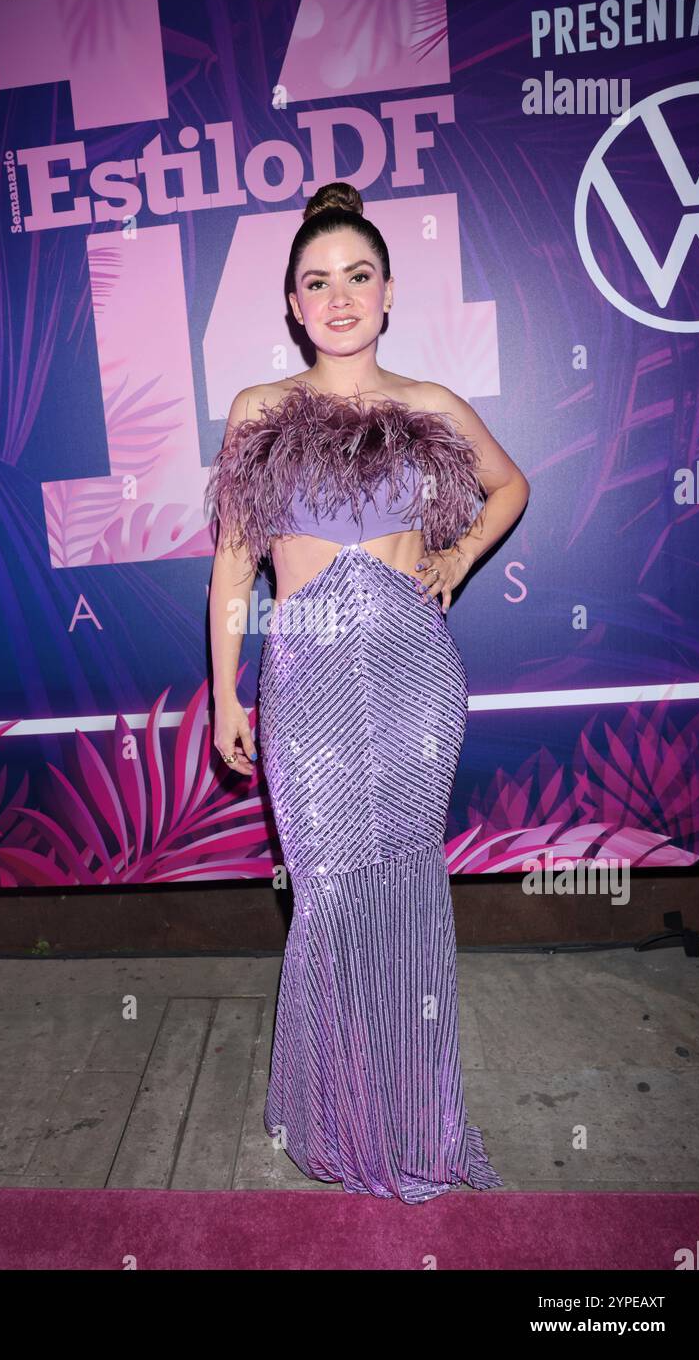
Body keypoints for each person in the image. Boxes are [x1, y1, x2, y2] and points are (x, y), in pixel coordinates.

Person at [204, 182, 530, 1204]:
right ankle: (335, 1103)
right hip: (302, 677)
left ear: (386, 293)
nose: (338, 296)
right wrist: (225, 695)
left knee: (404, 890)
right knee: (329, 892)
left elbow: (511, 483)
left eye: (357, 276)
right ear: (293, 305)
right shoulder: (258, 410)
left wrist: (459, 560)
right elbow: (231, 564)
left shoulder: (429, 403)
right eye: (316, 281)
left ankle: (415, 1115)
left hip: (410, 676)